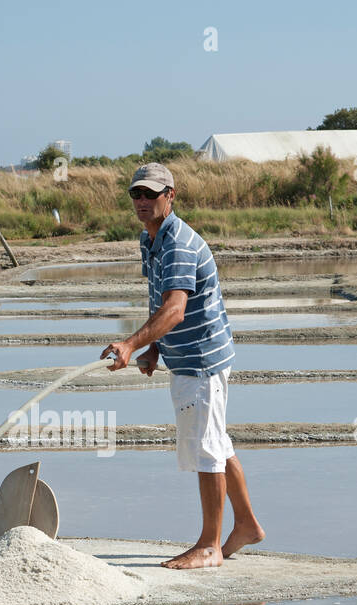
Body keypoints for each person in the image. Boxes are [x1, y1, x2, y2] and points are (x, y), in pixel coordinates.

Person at [102, 162, 264, 570]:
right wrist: (153, 350)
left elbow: (175, 310)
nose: (141, 201)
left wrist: (131, 343)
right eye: (135, 194)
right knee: (217, 441)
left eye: (151, 194)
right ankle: (245, 525)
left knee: (207, 449)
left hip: (202, 360)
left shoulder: (178, 243)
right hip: (187, 357)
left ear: (170, 196)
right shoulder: (150, 239)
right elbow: (158, 297)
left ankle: (210, 545)